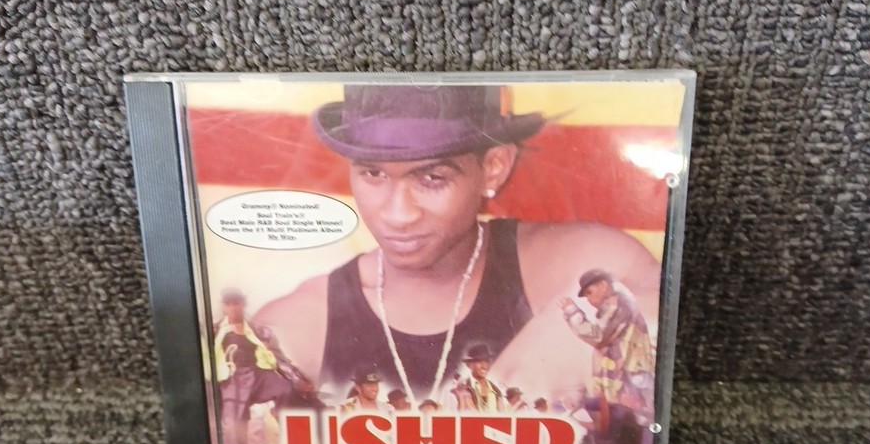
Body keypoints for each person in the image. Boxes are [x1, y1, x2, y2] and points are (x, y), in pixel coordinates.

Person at [255, 84, 660, 405]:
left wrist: (559, 345)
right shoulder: (301, 325)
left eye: (431, 178)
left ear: (494, 167)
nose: (398, 214)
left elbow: (661, 318)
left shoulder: (576, 263)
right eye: (373, 175)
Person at [213, 288, 318, 444]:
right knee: (233, 420)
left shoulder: (258, 331)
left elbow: (278, 357)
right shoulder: (215, 330)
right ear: (224, 307)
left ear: (243, 305)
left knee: (284, 389)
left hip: (257, 374)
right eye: (229, 304)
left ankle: (290, 439)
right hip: (231, 378)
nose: (233, 308)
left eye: (236, 303)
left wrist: (297, 378)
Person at [560, 269, 655, 413]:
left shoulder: (620, 306)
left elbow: (597, 336)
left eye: (589, 292)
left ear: (603, 285)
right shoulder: (618, 307)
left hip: (631, 397)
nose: (588, 300)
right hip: (624, 397)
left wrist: (572, 311)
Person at [452, 344, 505, 411]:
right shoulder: (461, 389)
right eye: (479, 361)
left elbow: (503, 414)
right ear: (468, 364)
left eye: (486, 361)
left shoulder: (496, 391)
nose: (484, 366)